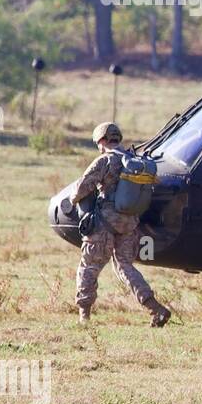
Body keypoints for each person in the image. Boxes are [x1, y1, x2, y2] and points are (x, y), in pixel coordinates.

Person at [72, 122, 172, 327]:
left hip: (103, 225)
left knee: (89, 266)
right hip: (129, 224)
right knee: (125, 267)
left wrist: (75, 199)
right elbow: (155, 184)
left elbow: (80, 190)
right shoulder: (136, 161)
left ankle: (84, 315)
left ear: (101, 141)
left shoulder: (104, 161)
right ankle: (156, 308)